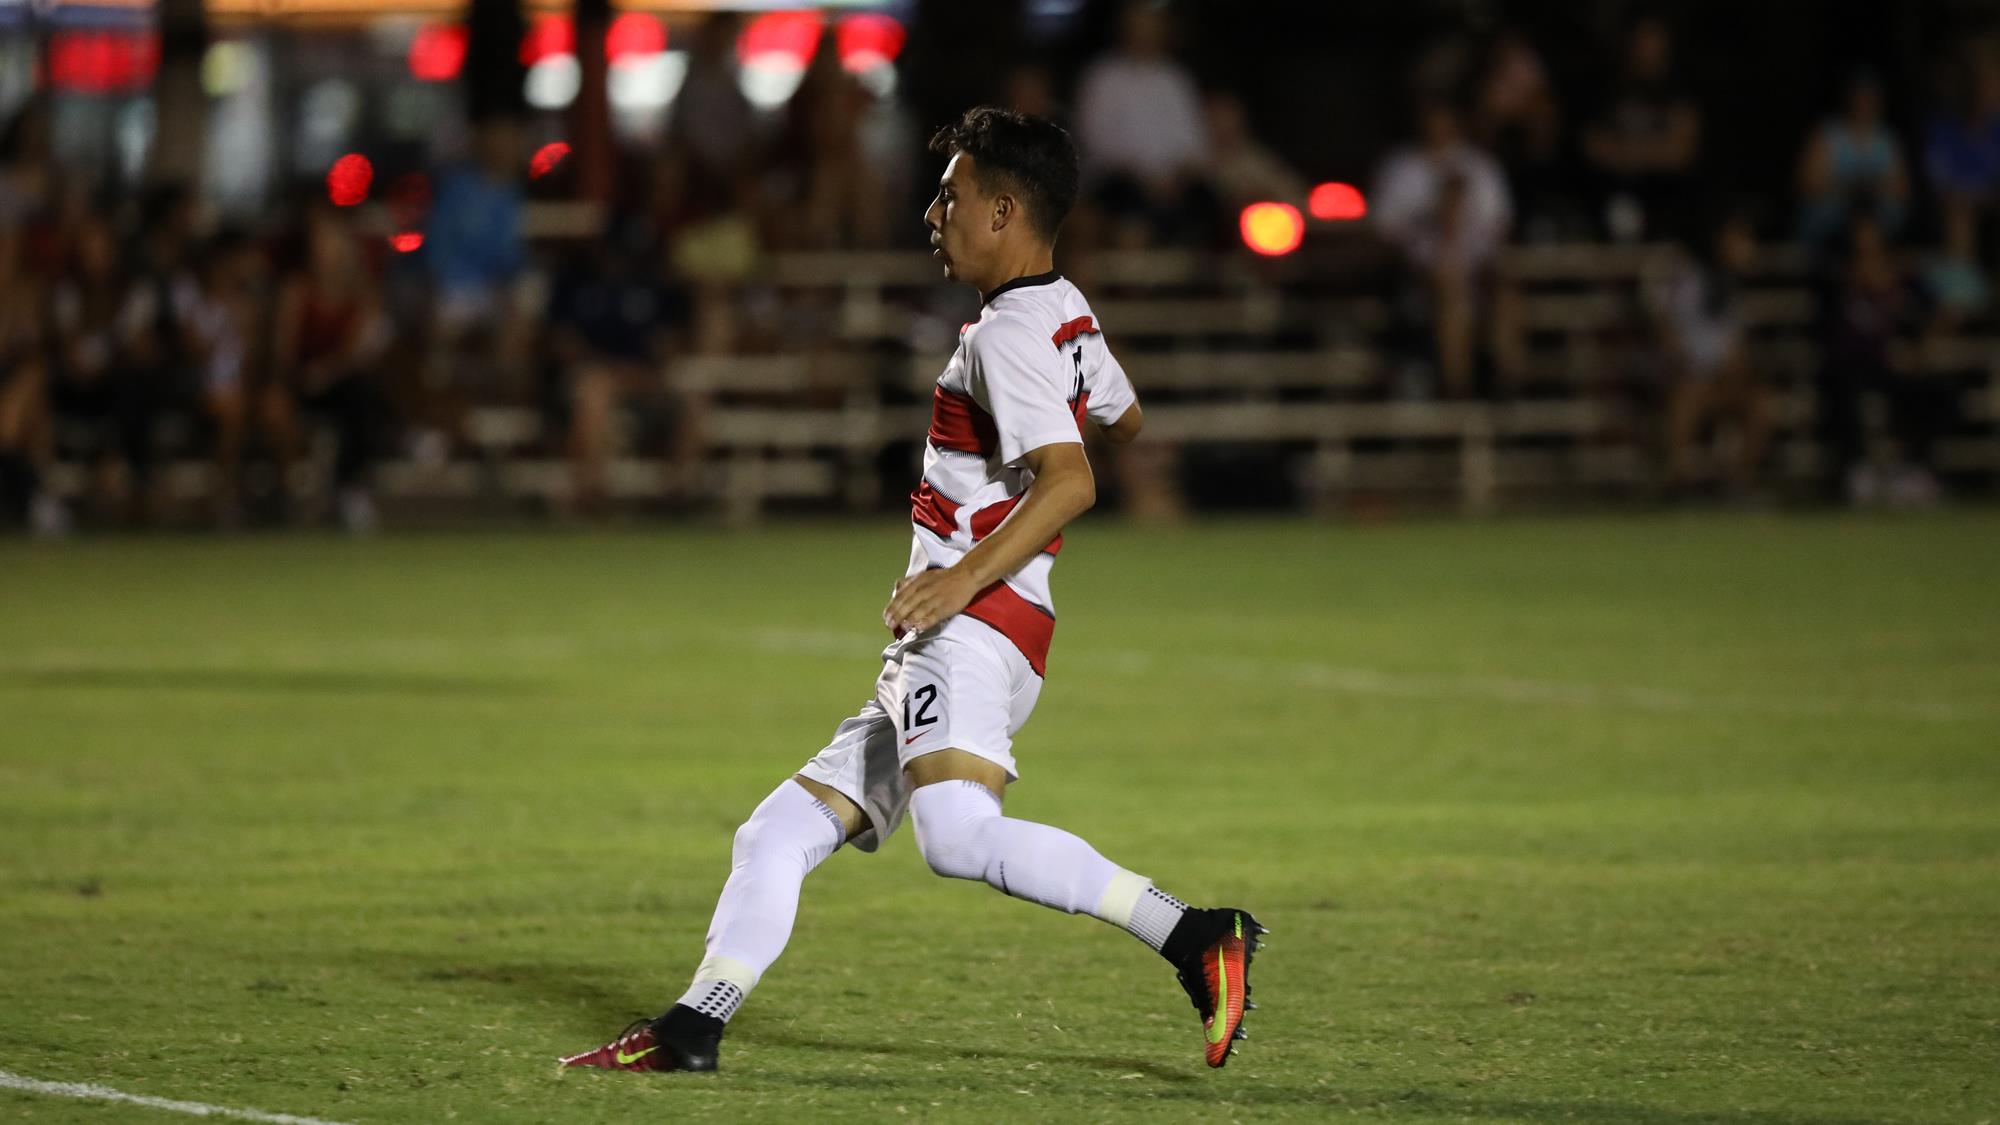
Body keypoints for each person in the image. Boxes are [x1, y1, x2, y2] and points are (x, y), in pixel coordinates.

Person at [560, 107, 1263, 1076]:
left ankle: (1195, 936)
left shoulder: (1010, 333)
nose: (933, 211)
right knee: (776, 830)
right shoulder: (1059, 309)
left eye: (953, 196)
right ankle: (693, 1026)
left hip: (971, 624)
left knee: (958, 839)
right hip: (985, 628)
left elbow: (1075, 479)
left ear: (1004, 209)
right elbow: (1124, 418)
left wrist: (954, 579)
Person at [1797, 73, 1910, 249]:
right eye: (1860, 96)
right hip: (1832, 221)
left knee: (1879, 218)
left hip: (1877, 221)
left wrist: (1872, 189)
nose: (1864, 103)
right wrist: (1849, 189)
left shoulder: (1887, 139)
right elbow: (1806, 184)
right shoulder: (1828, 134)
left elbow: (1903, 190)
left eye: (1870, 97)